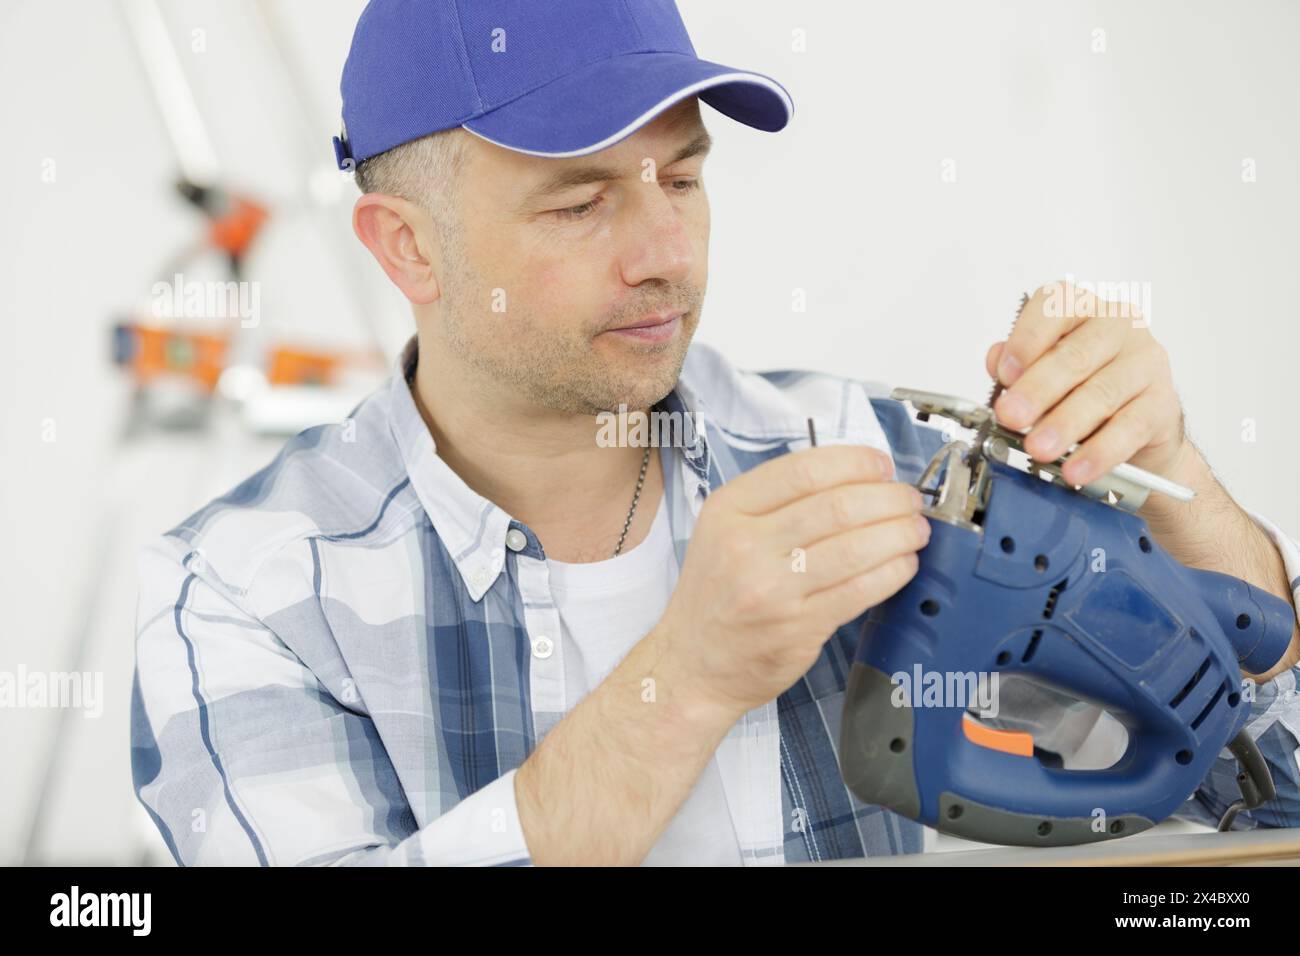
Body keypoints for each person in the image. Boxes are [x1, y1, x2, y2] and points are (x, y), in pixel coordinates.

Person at [131, 0, 1300, 866]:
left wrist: (1173, 480)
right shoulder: (244, 593)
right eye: (582, 201)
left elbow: (1271, 785)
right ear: (406, 248)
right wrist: (684, 680)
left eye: (681, 180)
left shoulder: (861, 460)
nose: (666, 256)